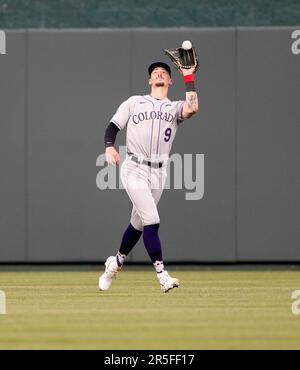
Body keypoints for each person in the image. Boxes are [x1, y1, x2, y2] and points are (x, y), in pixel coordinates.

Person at [99, 61, 198, 293]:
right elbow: (113, 126)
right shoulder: (134, 102)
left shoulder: (174, 108)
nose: (159, 74)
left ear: (170, 81)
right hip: (134, 167)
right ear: (150, 81)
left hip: (159, 172)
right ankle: (162, 276)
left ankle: (115, 263)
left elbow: (192, 108)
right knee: (152, 219)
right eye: (155, 73)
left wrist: (189, 76)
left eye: (164, 72)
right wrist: (109, 146)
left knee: (139, 223)